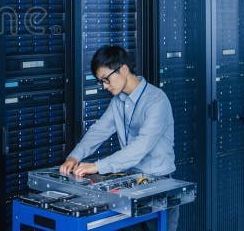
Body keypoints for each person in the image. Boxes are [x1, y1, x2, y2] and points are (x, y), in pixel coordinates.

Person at [59, 45, 178, 231]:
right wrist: (75, 156)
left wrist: (97, 166)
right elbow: (99, 130)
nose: (105, 86)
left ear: (123, 69)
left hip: (160, 186)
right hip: (132, 183)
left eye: (106, 79)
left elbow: (140, 147)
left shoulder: (156, 100)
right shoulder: (118, 101)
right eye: (101, 82)